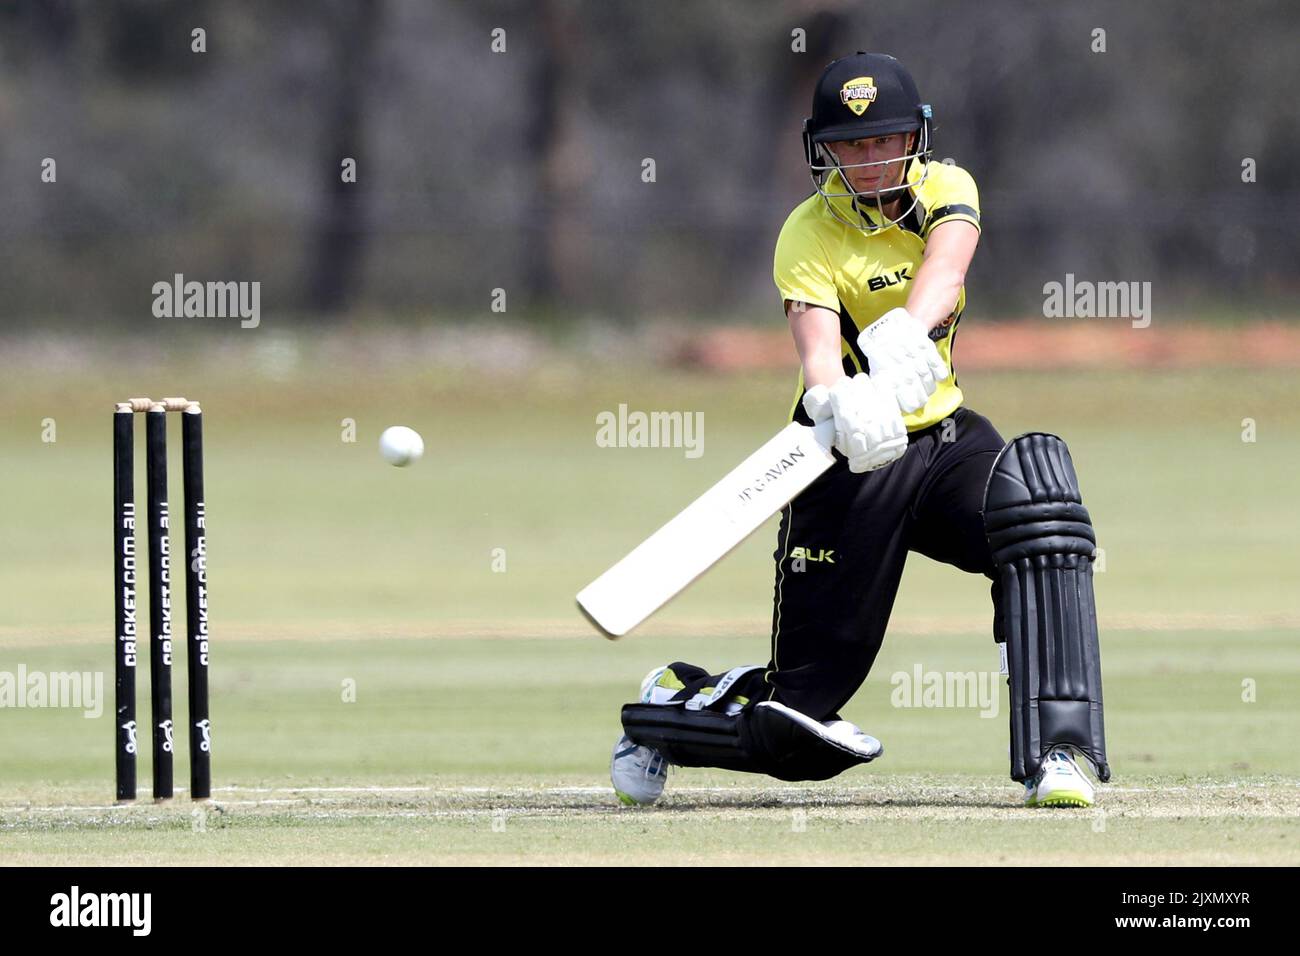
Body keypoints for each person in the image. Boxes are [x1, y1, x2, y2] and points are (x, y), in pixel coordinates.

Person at [611, 52, 1110, 808]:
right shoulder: (806, 236)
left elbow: (945, 271)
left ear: (917, 138)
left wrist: (905, 338)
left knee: (1039, 525)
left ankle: (1058, 753)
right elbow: (817, 357)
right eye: (851, 145)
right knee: (797, 731)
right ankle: (665, 711)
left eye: (885, 140)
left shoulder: (948, 186)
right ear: (823, 153)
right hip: (845, 462)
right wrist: (841, 402)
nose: (870, 159)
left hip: (945, 440)